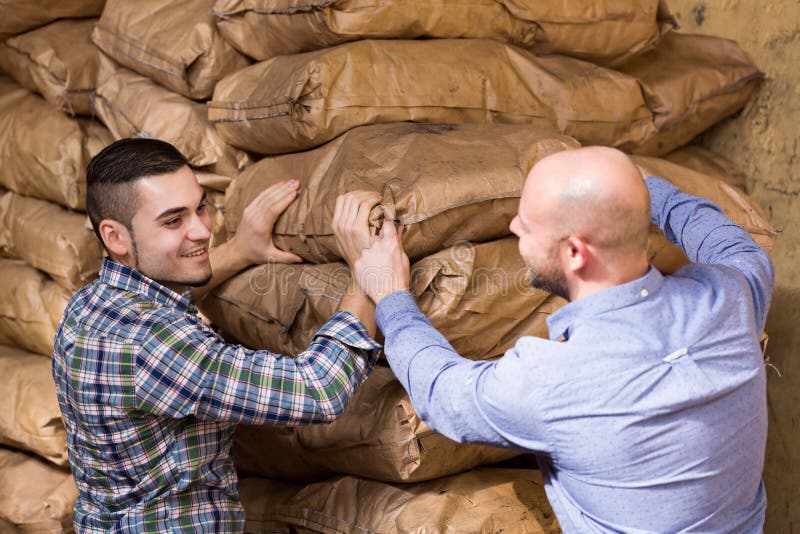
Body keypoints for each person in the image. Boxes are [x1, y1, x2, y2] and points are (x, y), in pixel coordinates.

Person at [338, 146, 774, 533]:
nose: (513, 226)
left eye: (527, 223)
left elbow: (443, 393)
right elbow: (730, 242)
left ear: (574, 253)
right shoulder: (734, 295)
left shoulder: (553, 383)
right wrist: (639, 191)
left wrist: (390, 295)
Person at [51, 138, 383, 532]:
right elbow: (318, 390)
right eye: (174, 221)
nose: (203, 230)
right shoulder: (154, 343)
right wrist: (369, 271)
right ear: (116, 237)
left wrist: (241, 249)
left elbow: (167, 303)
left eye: (201, 207)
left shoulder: (90, 305)